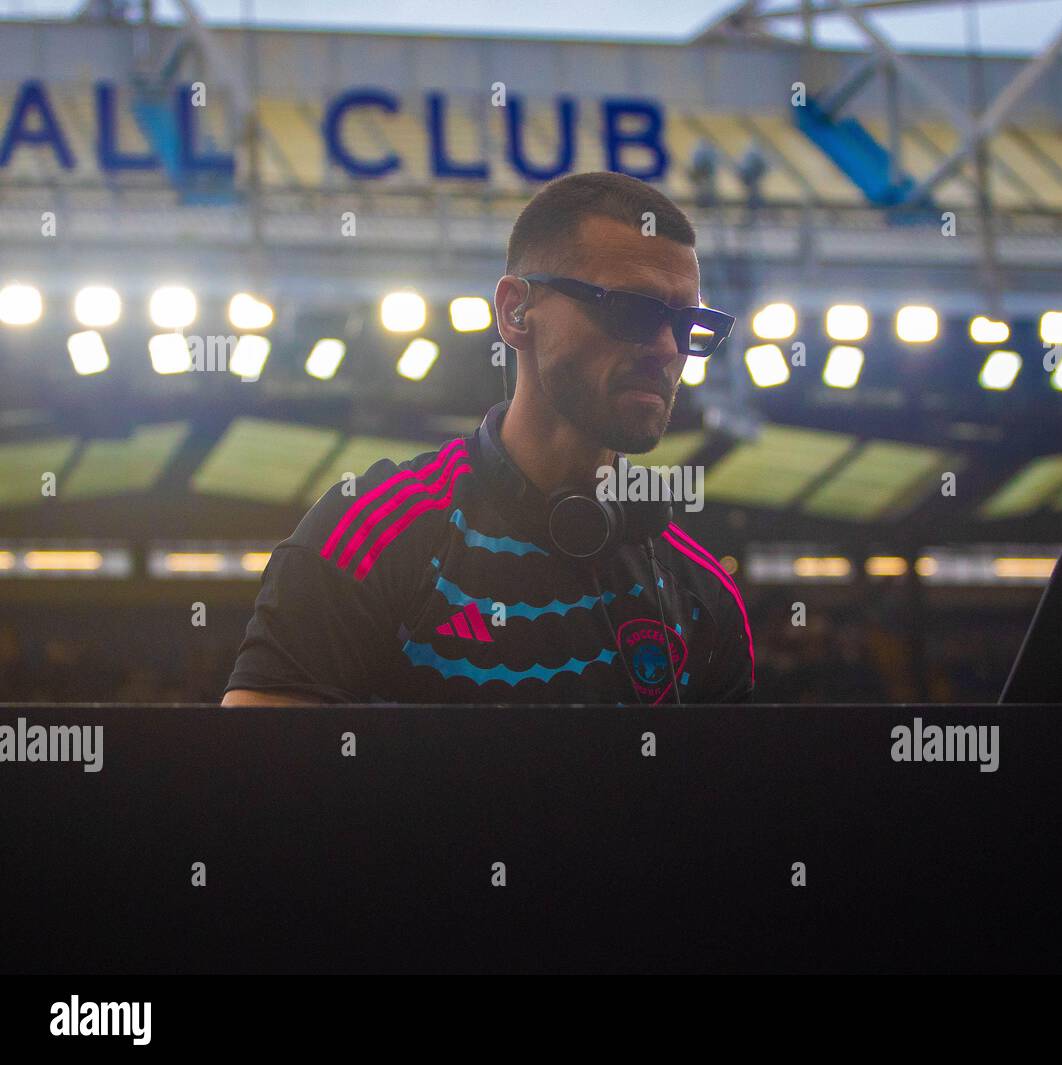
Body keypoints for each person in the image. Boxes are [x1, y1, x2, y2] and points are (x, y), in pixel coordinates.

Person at [222, 170, 753, 706]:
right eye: (633, 311)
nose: (668, 349)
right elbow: (256, 757)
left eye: (687, 325)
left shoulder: (700, 594)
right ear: (515, 311)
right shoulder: (366, 532)